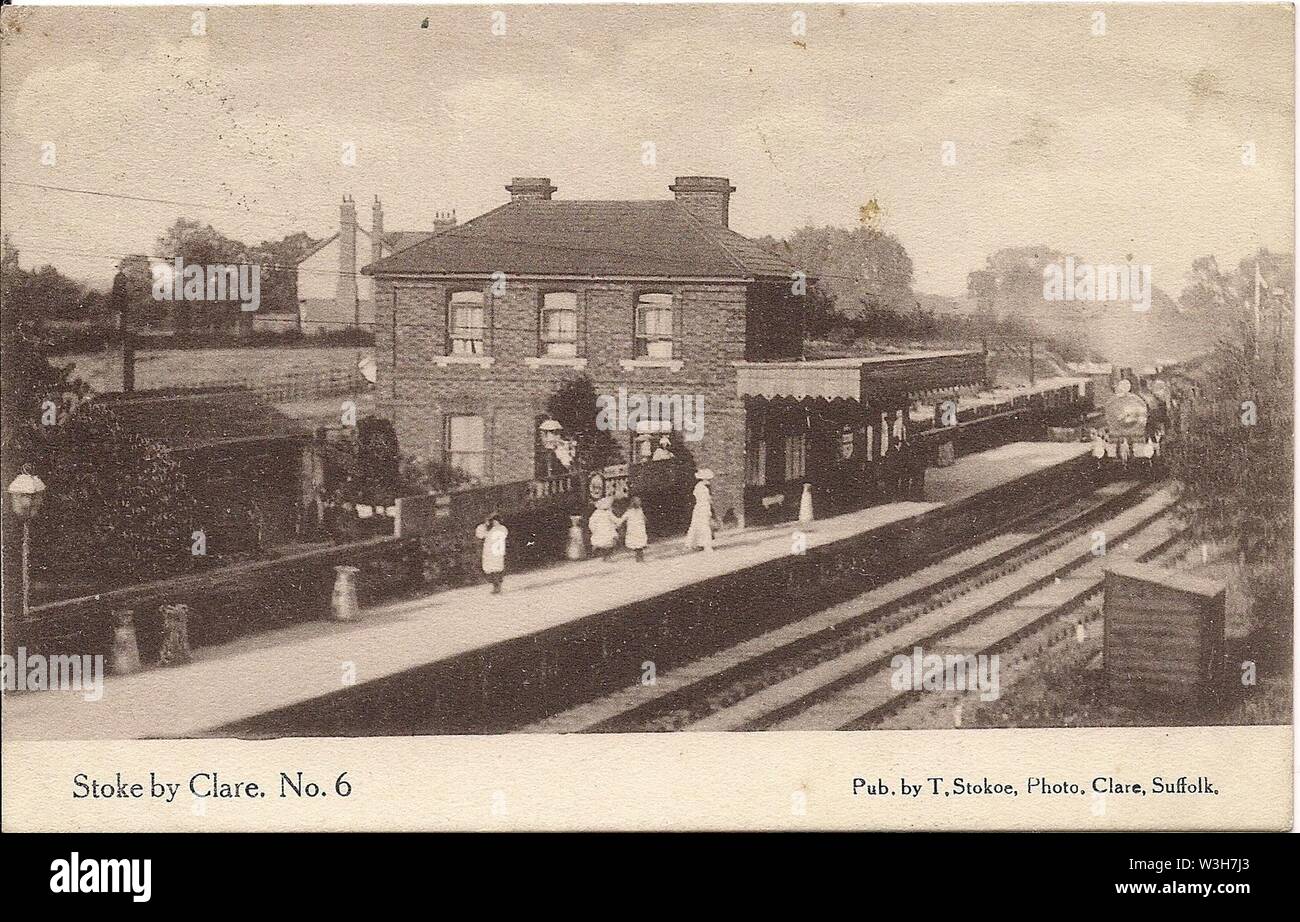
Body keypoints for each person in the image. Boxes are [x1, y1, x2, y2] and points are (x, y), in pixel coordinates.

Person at [475, 513, 508, 593]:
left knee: (497, 568)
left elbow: (502, 535)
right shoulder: (485, 529)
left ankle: (497, 585)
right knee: (489, 569)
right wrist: (486, 526)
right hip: (488, 552)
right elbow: (479, 535)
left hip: (497, 551)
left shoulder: (501, 528)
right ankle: (495, 585)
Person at [685, 469, 715, 552]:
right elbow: (706, 499)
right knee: (704, 526)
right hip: (702, 508)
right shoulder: (701, 488)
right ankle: (706, 545)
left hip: (701, 508)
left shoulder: (700, 487)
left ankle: (697, 543)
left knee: (698, 525)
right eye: (708, 479)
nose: (709, 481)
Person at [618, 496, 649, 562]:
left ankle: (639, 557)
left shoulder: (640, 510)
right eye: (638, 501)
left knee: (640, 543)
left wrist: (644, 520)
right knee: (637, 543)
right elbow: (622, 519)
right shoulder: (629, 511)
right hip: (633, 529)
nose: (639, 503)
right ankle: (639, 557)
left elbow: (644, 518)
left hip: (640, 528)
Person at [588, 497, 620, 561]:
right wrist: (618, 522)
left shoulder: (596, 513)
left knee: (603, 543)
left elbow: (591, 522)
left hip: (600, 531)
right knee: (610, 542)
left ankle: (603, 555)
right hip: (607, 530)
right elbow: (615, 520)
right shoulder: (608, 513)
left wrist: (593, 529)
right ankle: (606, 556)